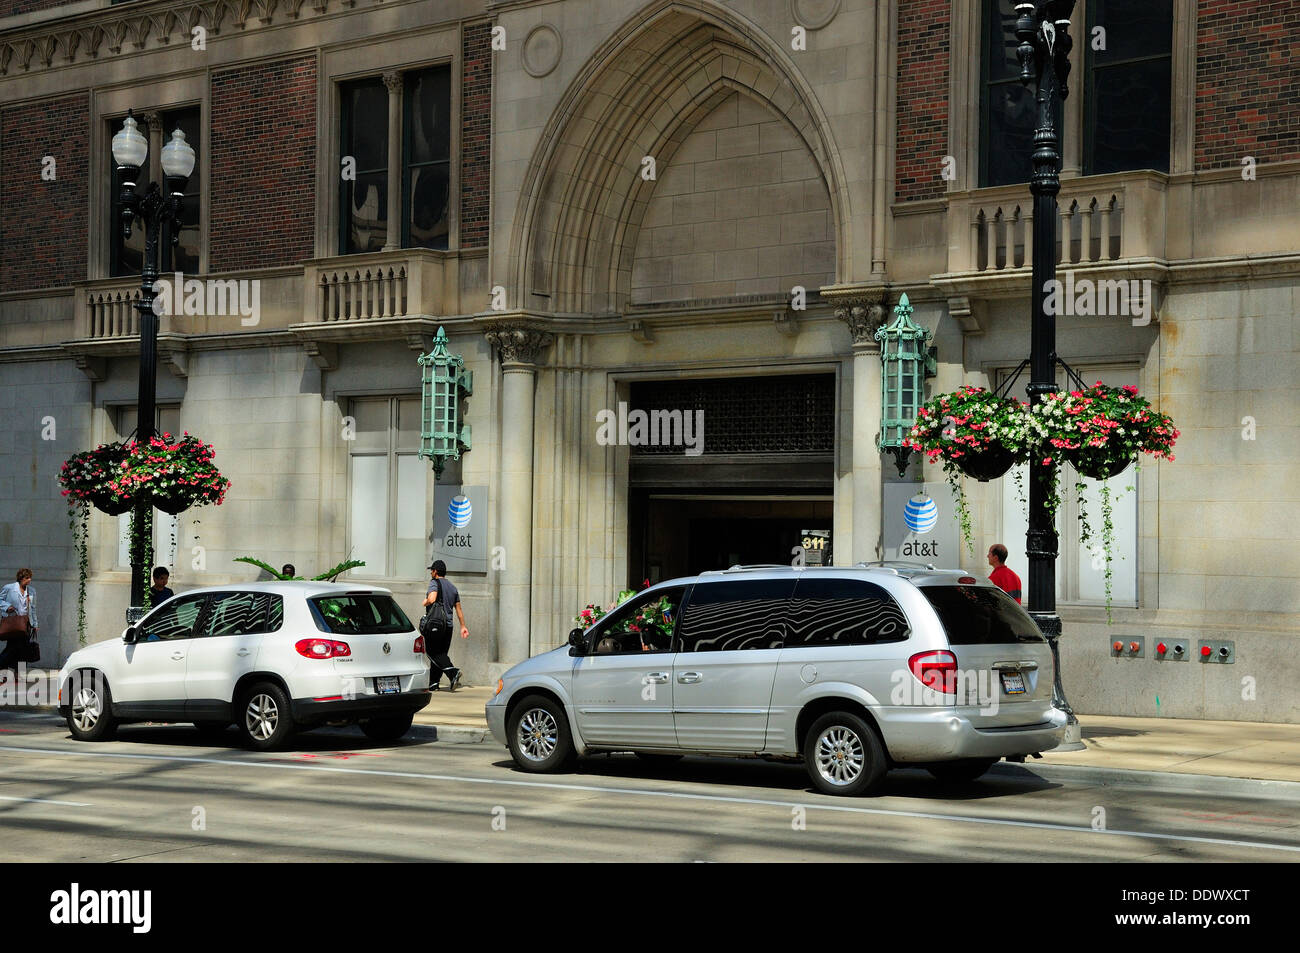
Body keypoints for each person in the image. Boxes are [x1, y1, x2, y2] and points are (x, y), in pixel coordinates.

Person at [422, 560, 468, 691]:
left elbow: (432, 599)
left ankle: (453, 672)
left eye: (432, 570)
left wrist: (424, 602)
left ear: (435, 572)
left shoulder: (434, 583)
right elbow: (458, 609)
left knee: (432, 652)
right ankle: (433, 683)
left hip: (436, 625)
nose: (431, 572)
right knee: (441, 654)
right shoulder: (453, 587)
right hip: (448, 626)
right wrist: (463, 626)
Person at [0, 568, 39, 682]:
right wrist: (7, 606)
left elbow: (33, 608)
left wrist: (35, 624)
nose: (29, 580)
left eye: (30, 577)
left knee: (23, 650)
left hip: (26, 624)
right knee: (11, 649)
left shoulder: (31, 591)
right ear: (21, 578)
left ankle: (19, 675)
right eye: (27, 578)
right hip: (13, 624)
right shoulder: (9, 588)